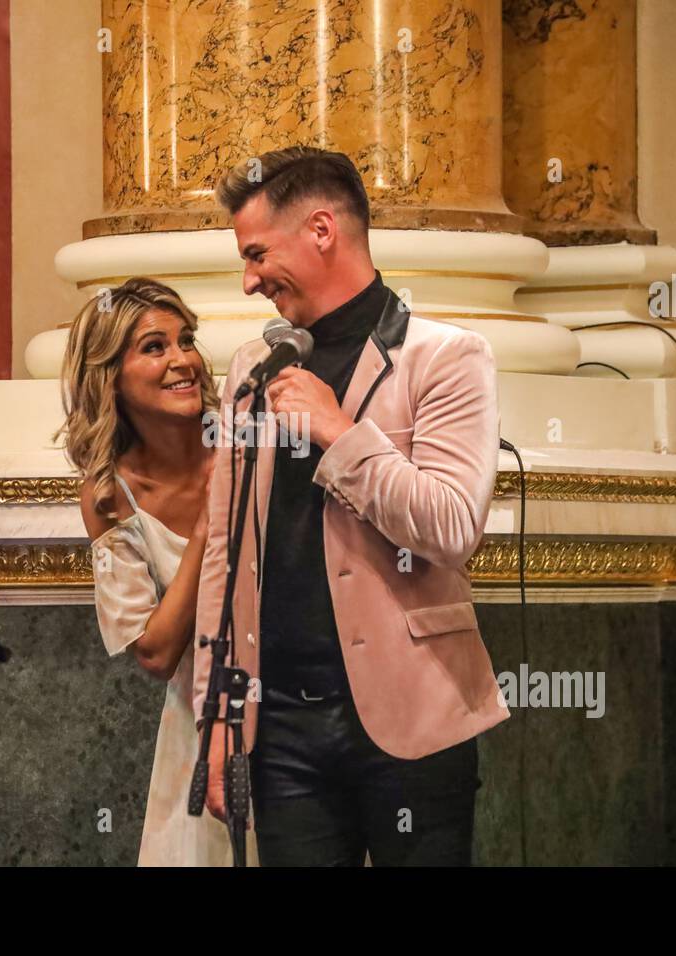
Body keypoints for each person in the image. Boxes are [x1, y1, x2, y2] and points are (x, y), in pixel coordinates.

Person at [193, 146, 510, 866]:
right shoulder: (254, 368)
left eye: (255, 254)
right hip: (280, 735)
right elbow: (227, 549)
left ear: (322, 230)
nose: (248, 282)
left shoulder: (447, 357)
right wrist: (218, 714)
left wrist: (340, 434)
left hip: (413, 723)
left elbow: (452, 528)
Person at [57, 277, 258, 866]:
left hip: (296, 715)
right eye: (154, 347)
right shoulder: (110, 496)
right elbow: (155, 651)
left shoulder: (252, 442)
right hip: (200, 729)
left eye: (186, 340)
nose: (182, 361)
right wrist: (209, 522)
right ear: (108, 375)